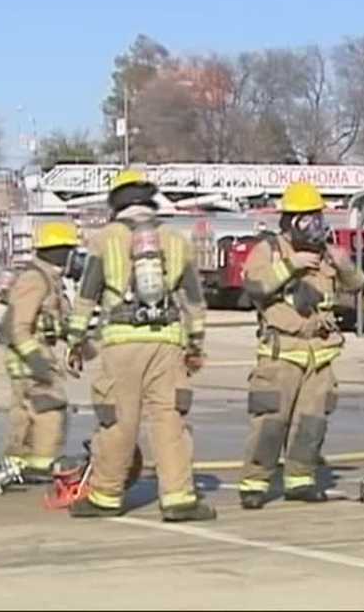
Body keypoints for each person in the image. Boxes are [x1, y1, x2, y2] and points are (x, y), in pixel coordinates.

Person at [64, 168, 215, 522]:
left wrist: (75, 340)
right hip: (167, 344)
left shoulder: (106, 238)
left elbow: (88, 293)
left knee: (117, 420)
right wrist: (195, 344)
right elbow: (194, 299)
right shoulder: (176, 239)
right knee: (169, 422)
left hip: (121, 344)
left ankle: (105, 495)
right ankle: (179, 498)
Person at [237, 181, 364, 509]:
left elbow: (357, 288)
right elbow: (255, 286)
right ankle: (255, 483)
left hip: (319, 356)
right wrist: (291, 266)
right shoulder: (270, 250)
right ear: (289, 221)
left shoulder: (326, 255)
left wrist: (344, 264)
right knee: (270, 424)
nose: (314, 227)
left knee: (312, 423)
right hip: (281, 353)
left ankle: (300, 479)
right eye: (305, 219)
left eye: (317, 218)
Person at [2, 222, 81, 483]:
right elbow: (19, 326)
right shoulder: (35, 279)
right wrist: (36, 361)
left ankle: (18, 462)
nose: (72, 256)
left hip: (31, 355)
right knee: (49, 408)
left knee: (27, 411)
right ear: (58, 251)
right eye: (69, 250)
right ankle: (41, 464)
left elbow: (57, 320)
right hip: (30, 356)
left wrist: (79, 347)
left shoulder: (49, 278)